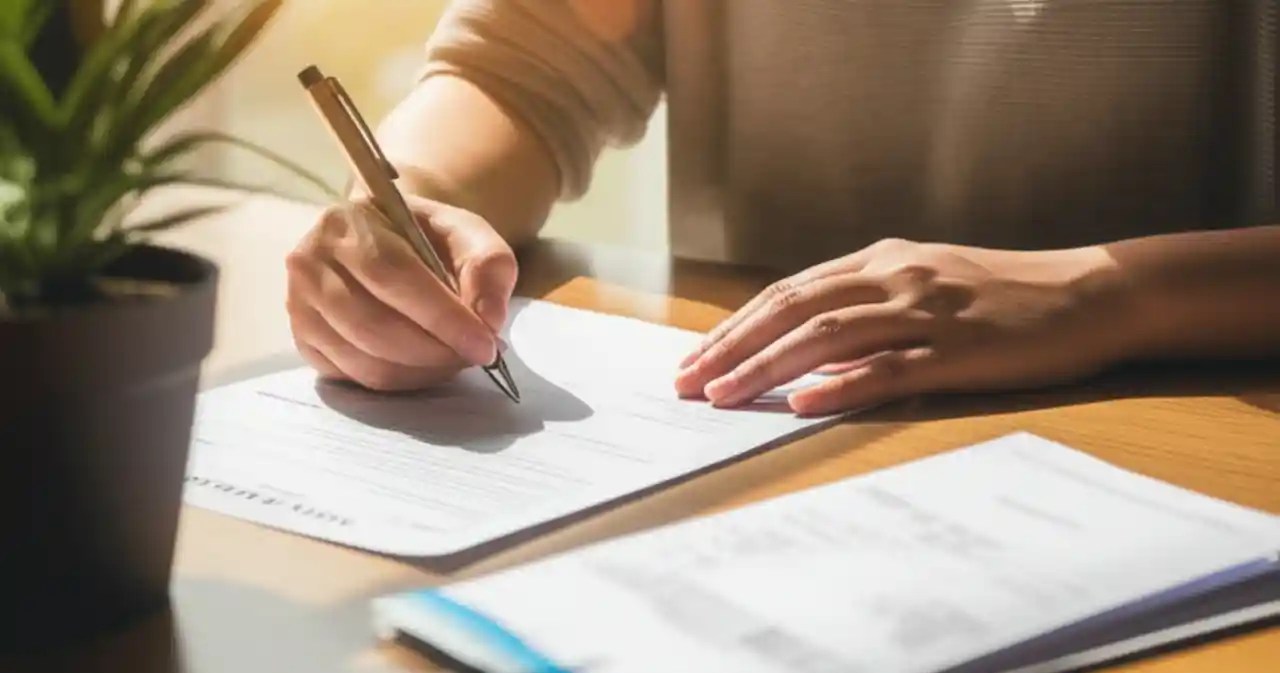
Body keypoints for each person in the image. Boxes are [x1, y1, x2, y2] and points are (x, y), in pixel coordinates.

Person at [285, 1, 1280, 416]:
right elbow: (519, 70)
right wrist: (409, 205)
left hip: (1198, 435)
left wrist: (1118, 298)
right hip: (763, 444)